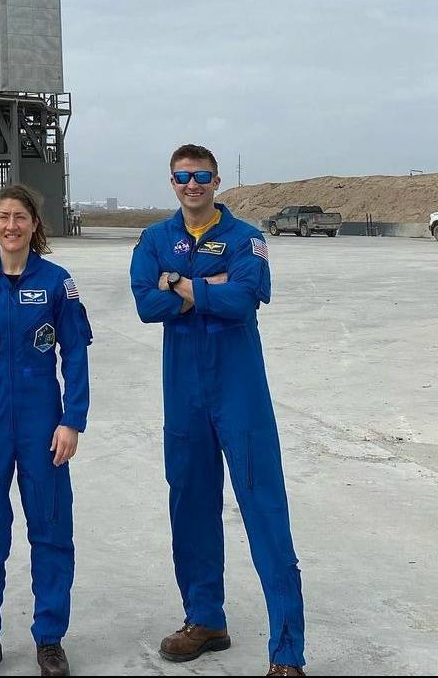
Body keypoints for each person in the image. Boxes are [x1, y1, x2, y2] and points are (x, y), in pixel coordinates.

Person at [129, 145, 305, 678]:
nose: (192, 184)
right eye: (182, 177)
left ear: (216, 180)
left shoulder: (248, 237)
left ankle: (287, 654)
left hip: (239, 393)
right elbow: (145, 303)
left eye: (201, 176)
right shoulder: (155, 238)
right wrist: (210, 287)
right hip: (183, 395)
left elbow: (245, 298)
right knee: (190, 506)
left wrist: (180, 285)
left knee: (265, 511)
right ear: (172, 181)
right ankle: (205, 620)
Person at [0, 183, 93, 678]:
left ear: (35, 224)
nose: (12, 226)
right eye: (3, 217)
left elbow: (74, 355)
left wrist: (72, 419)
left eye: (20, 217)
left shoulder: (57, 283)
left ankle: (49, 639)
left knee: (51, 531)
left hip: (41, 420)